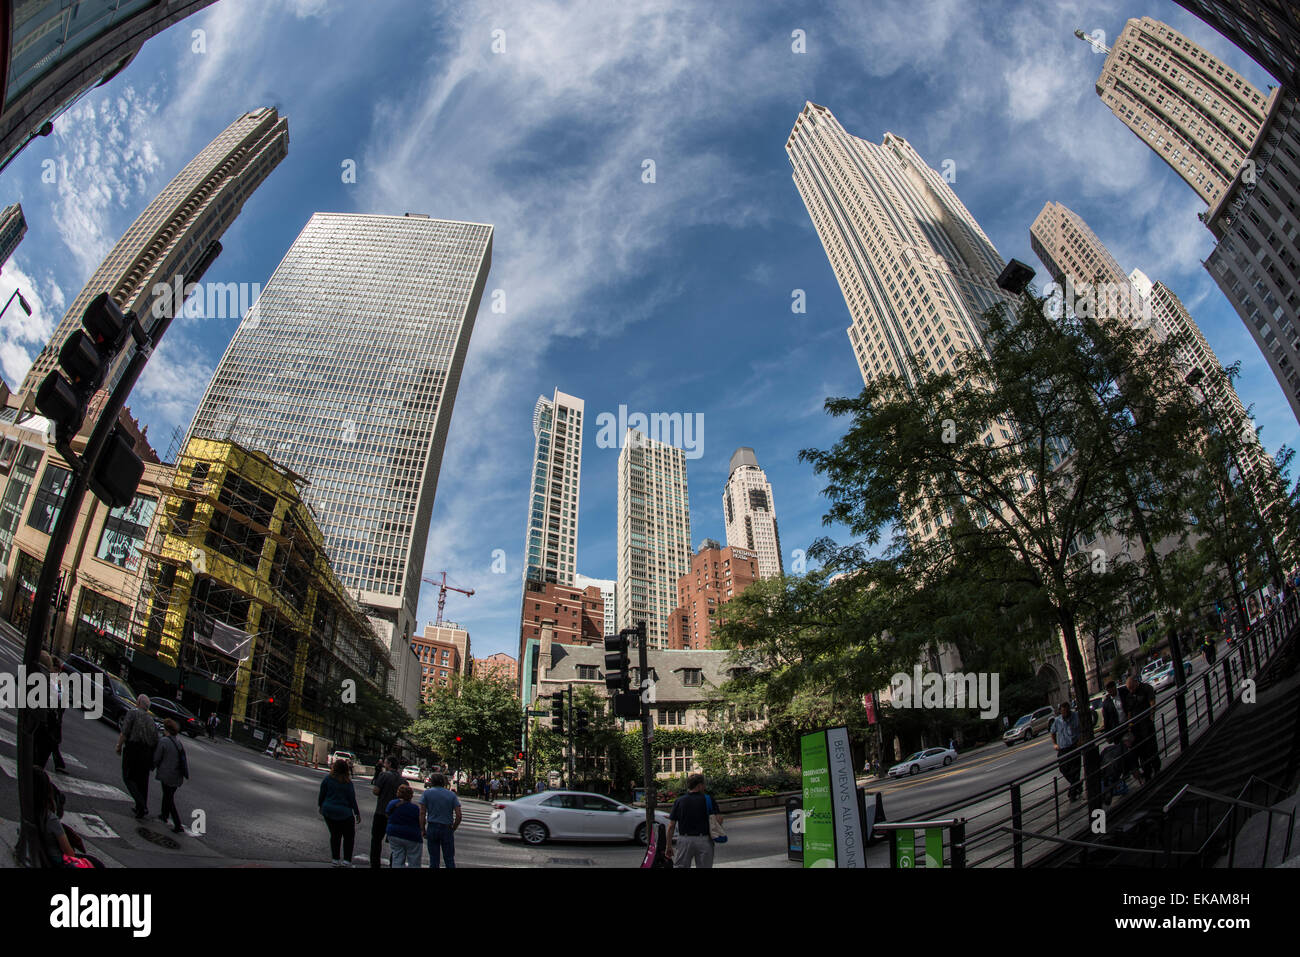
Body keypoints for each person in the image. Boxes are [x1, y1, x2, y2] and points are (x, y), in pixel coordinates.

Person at [32, 767, 101, 868]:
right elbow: (69, 853)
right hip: (58, 861)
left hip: (46, 856)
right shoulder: (50, 819)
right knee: (97, 864)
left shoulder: (33, 810)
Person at [116, 695, 158, 819]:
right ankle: (140, 809)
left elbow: (125, 731)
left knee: (128, 776)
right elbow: (155, 739)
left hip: (133, 748)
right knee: (142, 781)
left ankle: (141, 804)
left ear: (138, 702)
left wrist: (119, 745)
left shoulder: (132, 713)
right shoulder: (151, 720)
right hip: (146, 752)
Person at [666, 772, 718, 868]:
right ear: (699, 785)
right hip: (704, 839)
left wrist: (668, 845)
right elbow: (719, 819)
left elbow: (671, 826)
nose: (704, 787)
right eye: (703, 784)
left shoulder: (679, 801)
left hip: (684, 840)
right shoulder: (708, 799)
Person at [318, 758, 361, 866]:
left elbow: (322, 794)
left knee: (335, 835)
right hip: (345, 813)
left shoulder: (328, 779)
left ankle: (335, 859)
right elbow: (352, 799)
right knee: (349, 837)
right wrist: (356, 813)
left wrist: (321, 806)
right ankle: (346, 860)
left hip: (329, 810)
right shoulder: (347, 782)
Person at [1120, 673, 1160, 783]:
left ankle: (1156, 767)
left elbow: (1152, 702)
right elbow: (1129, 711)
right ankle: (1147, 771)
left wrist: (1152, 716)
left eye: (1132, 688)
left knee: (1151, 747)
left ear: (1136, 683)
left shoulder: (1146, 688)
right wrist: (1129, 725)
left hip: (1146, 723)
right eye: (1129, 689)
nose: (1131, 691)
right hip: (1136, 727)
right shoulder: (1129, 696)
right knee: (1142, 751)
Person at [152, 718, 189, 833]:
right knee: (168, 795)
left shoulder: (164, 741)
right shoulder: (178, 742)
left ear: (166, 729)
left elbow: (157, 758)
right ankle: (164, 815)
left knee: (169, 798)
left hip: (167, 774)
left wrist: (152, 766)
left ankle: (178, 824)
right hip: (178, 775)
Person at [418, 772, 462, 868]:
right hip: (446, 827)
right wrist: (453, 828)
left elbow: (422, 813)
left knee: (434, 859)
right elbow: (458, 815)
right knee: (449, 859)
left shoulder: (427, 793)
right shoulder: (451, 795)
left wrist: (422, 829)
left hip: (432, 826)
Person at [369, 756, 402, 869]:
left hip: (381, 811)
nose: (384, 764)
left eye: (386, 763)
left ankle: (375, 864)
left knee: (376, 840)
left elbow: (376, 791)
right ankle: (393, 864)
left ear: (389, 764)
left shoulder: (383, 775)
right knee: (395, 844)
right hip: (396, 815)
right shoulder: (403, 780)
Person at [1050, 701, 1082, 802]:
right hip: (1063, 748)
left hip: (1073, 747)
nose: (1064, 714)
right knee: (1063, 769)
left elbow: (1081, 729)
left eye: (1066, 712)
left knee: (1075, 770)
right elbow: (1052, 732)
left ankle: (1072, 793)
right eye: (1063, 712)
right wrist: (1055, 744)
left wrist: (1080, 741)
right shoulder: (1057, 720)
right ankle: (1076, 785)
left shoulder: (1075, 717)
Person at [385, 783, 423, 867]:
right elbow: (421, 821)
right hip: (412, 836)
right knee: (414, 860)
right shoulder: (415, 808)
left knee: (397, 858)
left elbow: (387, 814)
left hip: (394, 834)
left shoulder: (392, 803)